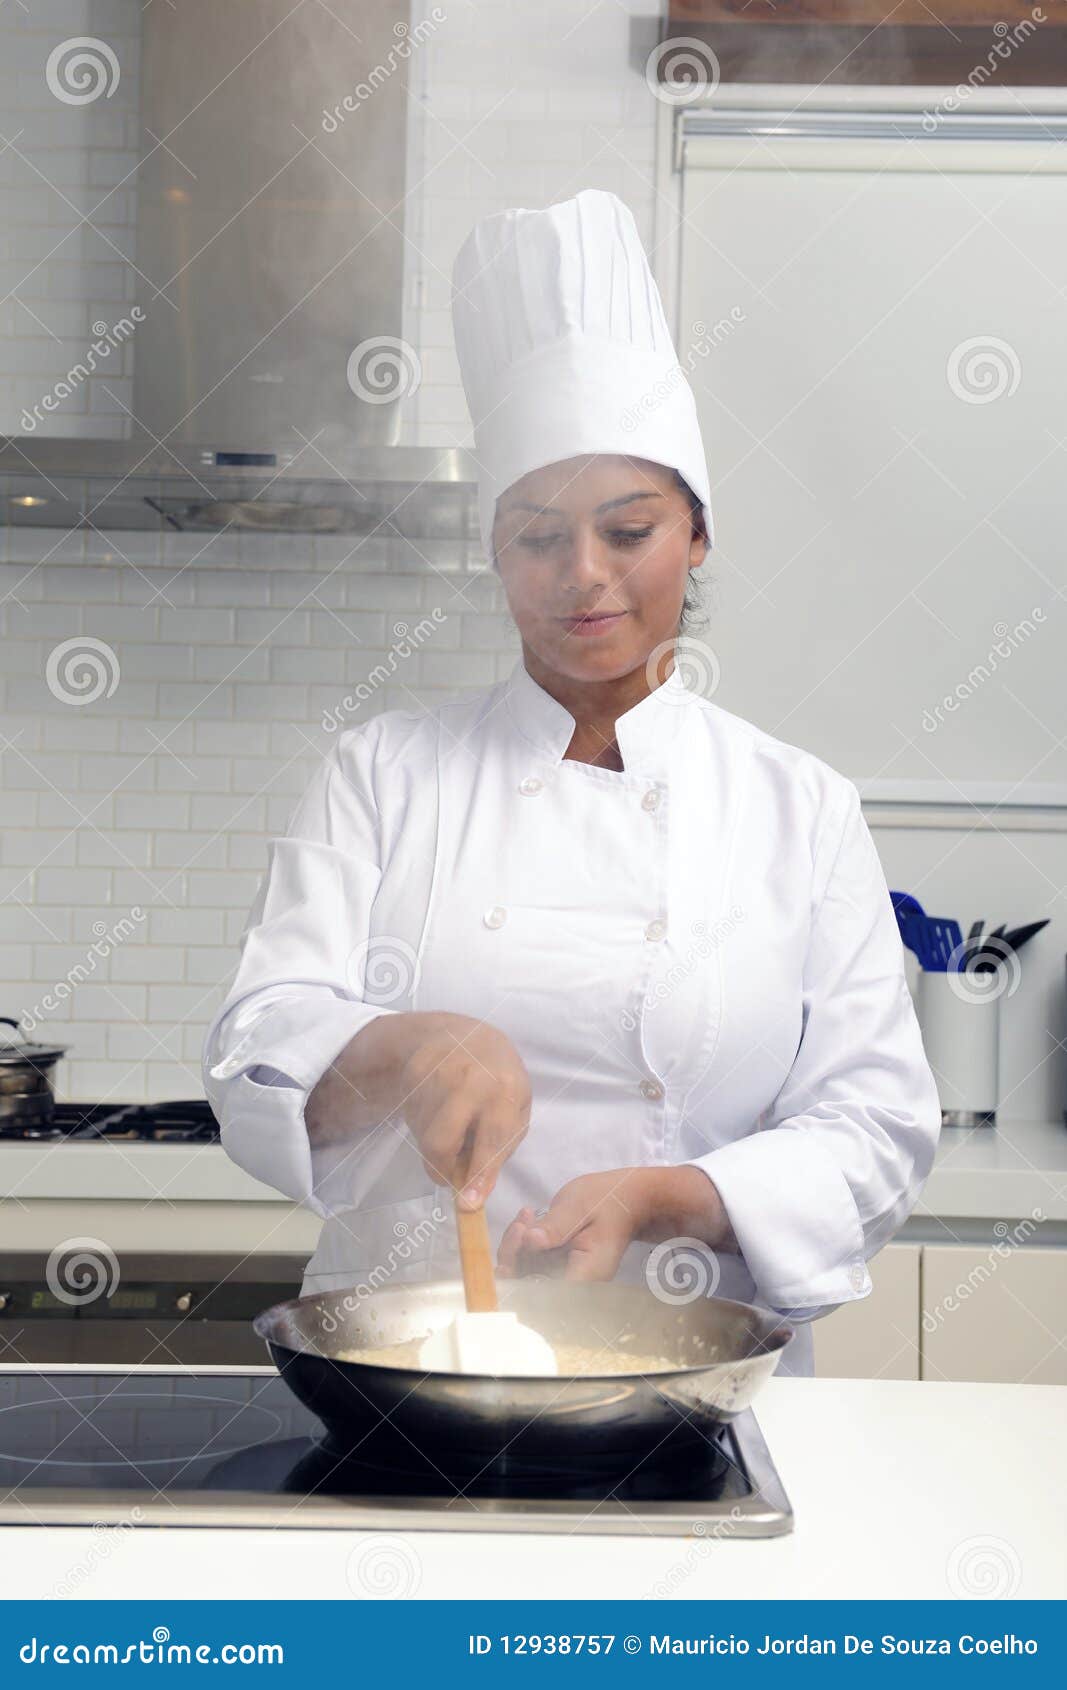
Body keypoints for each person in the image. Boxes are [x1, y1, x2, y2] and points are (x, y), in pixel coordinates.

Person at [202, 189, 940, 1376]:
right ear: (494, 553)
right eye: (538, 536)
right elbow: (254, 1046)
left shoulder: (798, 809)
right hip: (406, 1378)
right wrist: (401, 1047)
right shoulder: (382, 772)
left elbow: (877, 1127)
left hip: (694, 1379)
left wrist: (668, 1193)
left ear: (696, 534)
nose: (582, 576)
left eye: (627, 530)